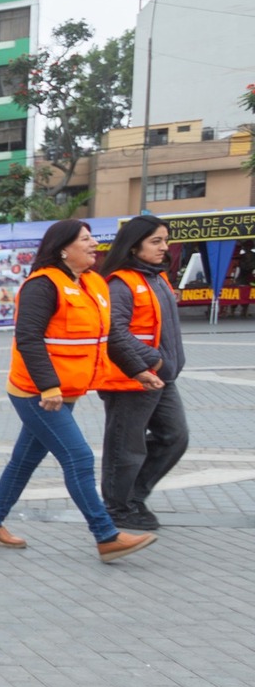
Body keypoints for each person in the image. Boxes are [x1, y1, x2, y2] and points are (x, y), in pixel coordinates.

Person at [0, 219, 155, 562]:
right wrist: (48, 386)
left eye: (93, 239)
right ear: (63, 249)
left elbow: (111, 336)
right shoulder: (42, 285)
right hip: (36, 392)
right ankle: (106, 536)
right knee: (79, 457)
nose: (94, 245)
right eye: (85, 240)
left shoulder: (94, 283)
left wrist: (139, 370)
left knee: (24, 461)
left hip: (66, 391)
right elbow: (28, 340)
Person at [98, 214, 187, 532]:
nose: (165, 247)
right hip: (130, 379)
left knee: (175, 437)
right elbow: (114, 331)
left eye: (165, 240)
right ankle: (118, 506)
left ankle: (133, 495)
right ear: (134, 246)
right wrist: (155, 360)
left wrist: (166, 365)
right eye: (156, 241)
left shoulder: (157, 277)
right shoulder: (121, 283)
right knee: (126, 444)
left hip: (162, 376)